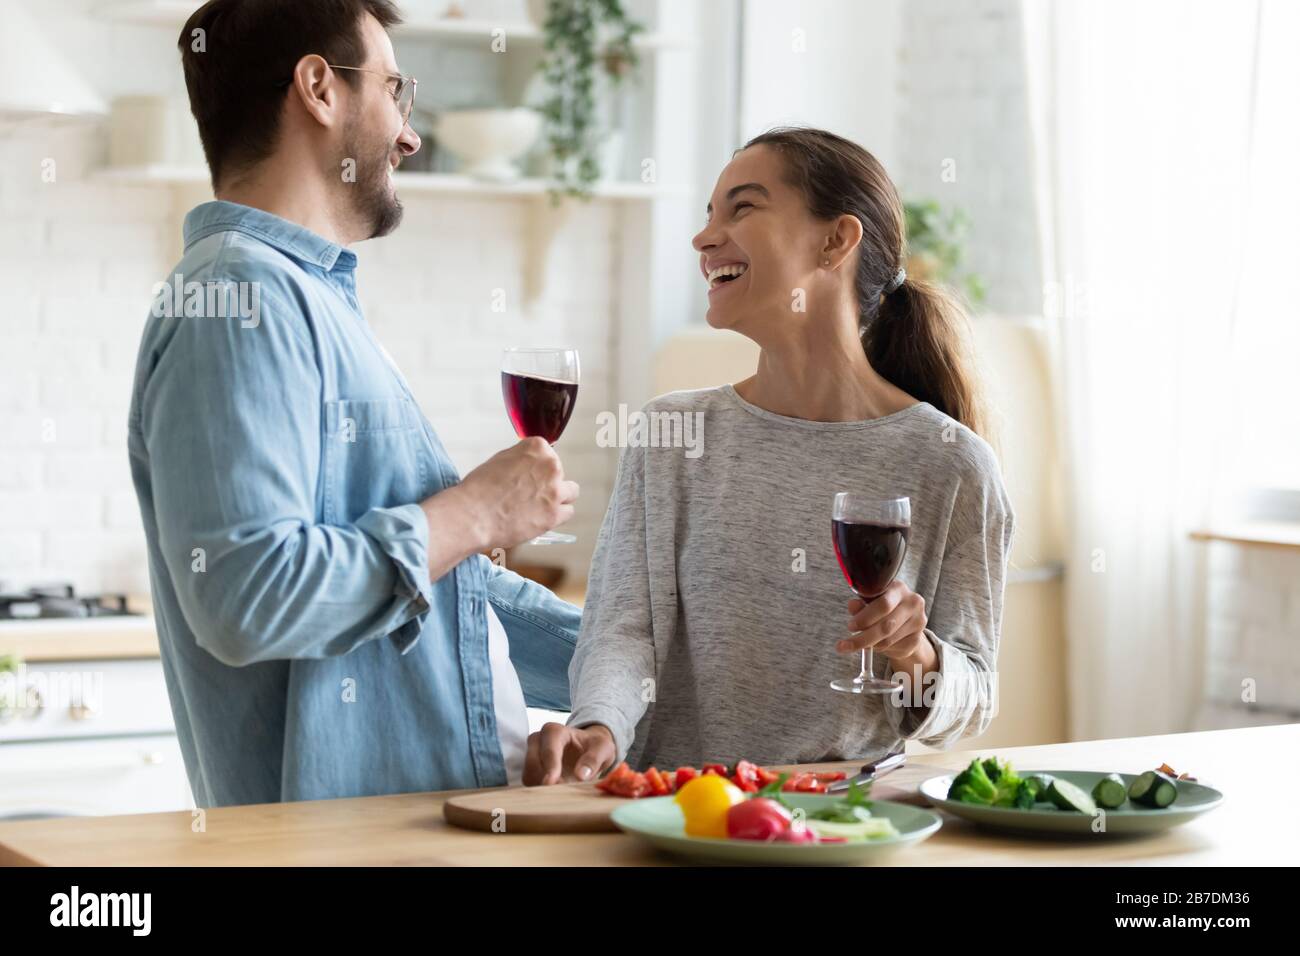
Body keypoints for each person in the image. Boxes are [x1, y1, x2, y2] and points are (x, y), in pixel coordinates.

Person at [128, 0, 580, 806]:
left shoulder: (303, 298)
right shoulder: (240, 297)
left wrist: (626, 678)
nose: (410, 136)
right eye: (394, 90)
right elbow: (249, 598)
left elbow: (443, 589)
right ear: (318, 88)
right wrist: (476, 513)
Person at [524, 127, 1015, 784]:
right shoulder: (672, 433)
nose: (704, 238)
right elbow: (622, 628)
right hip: (673, 812)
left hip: (845, 818)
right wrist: (599, 727)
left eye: (743, 208)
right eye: (709, 214)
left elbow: (973, 698)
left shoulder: (952, 464)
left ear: (835, 241)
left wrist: (916, 654)